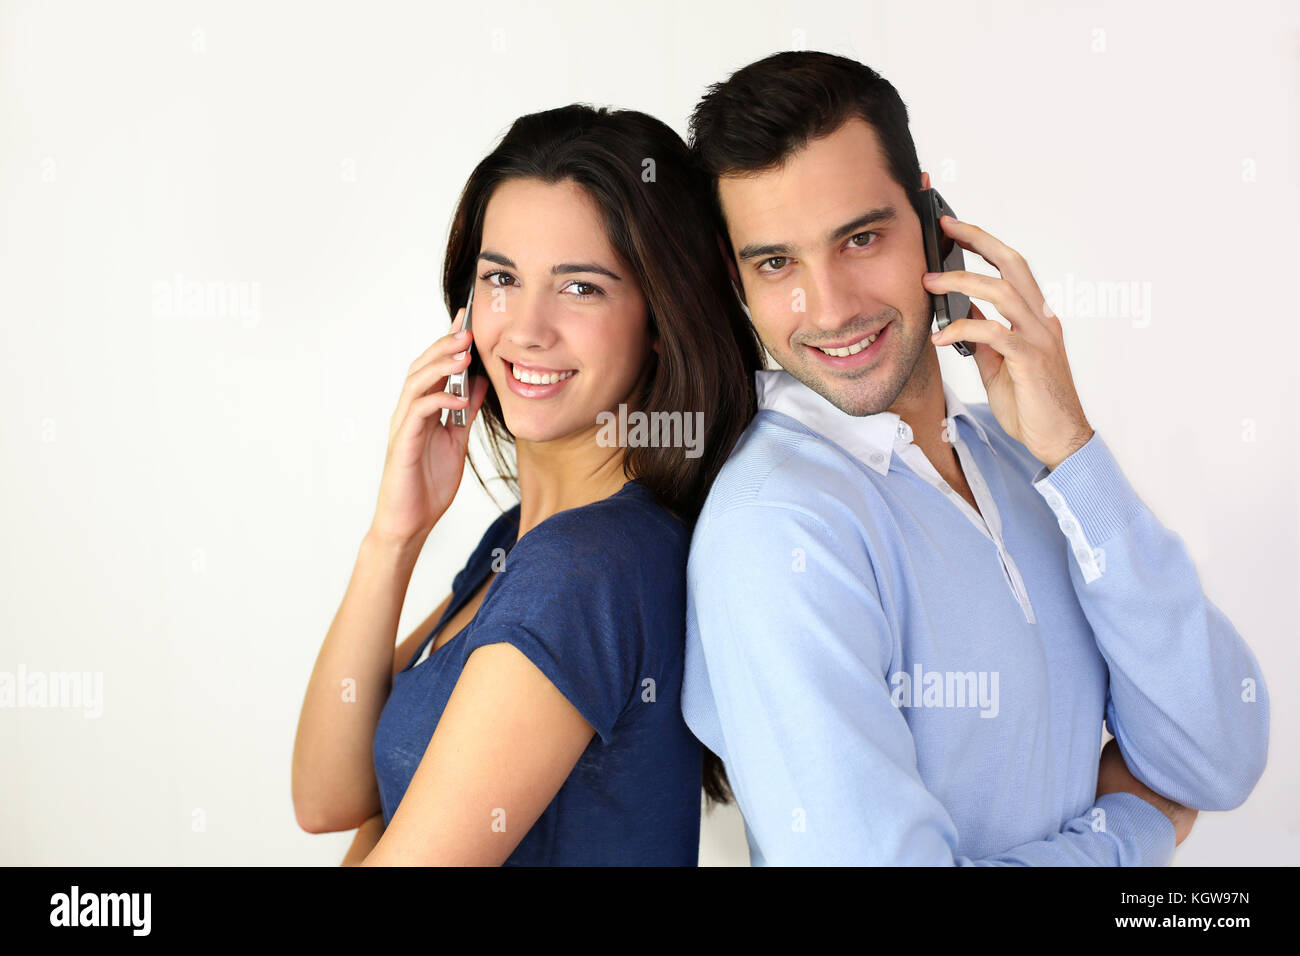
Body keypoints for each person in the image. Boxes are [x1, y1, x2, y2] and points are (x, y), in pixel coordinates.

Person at [680, 51, 1270, 865]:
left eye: (860, 238)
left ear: (932, 220)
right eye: (776, 262)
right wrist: (1129, 831)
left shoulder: (1025, 460)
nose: (832, 307)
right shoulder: (776, 530)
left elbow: (1219, 754)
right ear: (734, 277)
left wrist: (1074, 453)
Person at [292, 104, 763, 865]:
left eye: (581, 288)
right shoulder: (521, 540)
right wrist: (395, 534)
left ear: (659, 318)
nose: (527, 327)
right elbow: (328, 796)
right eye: (501, 278)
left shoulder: (587, 567)